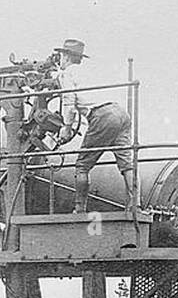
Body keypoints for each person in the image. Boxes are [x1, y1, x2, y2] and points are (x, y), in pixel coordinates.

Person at [52, 39, 136, 213]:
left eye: (61, 56)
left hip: (102, 116)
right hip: (121, 114)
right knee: (127, 165)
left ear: (66, 57)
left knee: (82, 166)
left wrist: (66, 128)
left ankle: (80, 209)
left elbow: (69, 102)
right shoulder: (90, 72)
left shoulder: (66, 74)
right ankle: (135, 206)